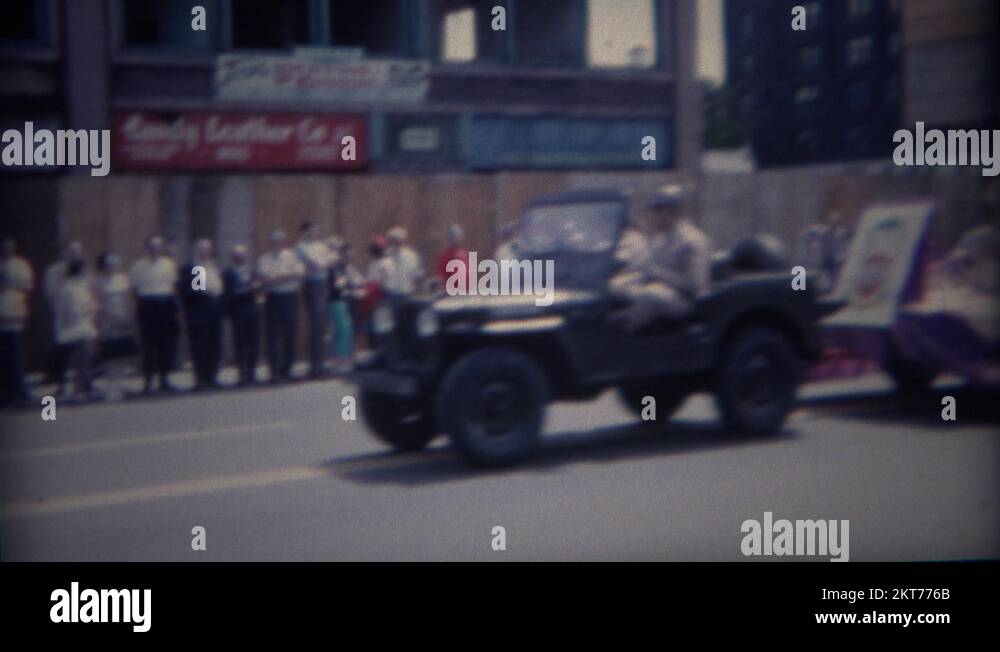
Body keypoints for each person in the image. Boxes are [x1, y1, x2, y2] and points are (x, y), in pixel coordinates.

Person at [610, 184, 712, 332]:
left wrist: (656, 273)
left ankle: (623, 332)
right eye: (655, 210)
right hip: (662, 291)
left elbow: (695, 285)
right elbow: (649, 269)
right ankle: (613, 323)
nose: (654, 216)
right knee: (615, 286)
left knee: (651, 294)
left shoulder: (693, 241)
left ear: (673, 212)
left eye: (659, 210)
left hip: (687, 302)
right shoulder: (662, 236)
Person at [130, 235, 180, 394]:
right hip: (148, 306)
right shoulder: (138, 266)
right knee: (148, 346)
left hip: (165, 305)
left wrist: (176, 309)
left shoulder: (169, 265)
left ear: (162, 248)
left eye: (158, 246)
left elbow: (173, 287)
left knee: (166, 345)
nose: (155, 249)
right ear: (146, 248)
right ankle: (148, 382)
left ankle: (164, 380)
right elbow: (134, 290)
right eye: (151, 246)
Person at [258, 229, 304, 383]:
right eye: (273, 241)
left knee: (290, 334)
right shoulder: (264, 259)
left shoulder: (292, 256)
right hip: (273, 299)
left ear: (283, 243)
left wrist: (276, 278)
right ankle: (274, 371)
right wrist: (286, 277)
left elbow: (298, 275)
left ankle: (287, 369)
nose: (276, 244)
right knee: (273, 336)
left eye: (279, 241)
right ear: (270, 243)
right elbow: (265, 281)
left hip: (290, 298)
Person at [180, 239, 224, 390]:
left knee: (214, 344)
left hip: (214, 309)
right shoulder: (193, 267)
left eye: (208, 249)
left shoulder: (213, 265)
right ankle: (201, 379)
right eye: (202, 249)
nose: (205, 252)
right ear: (196, 250)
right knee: (200, 345)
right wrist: (208, 292)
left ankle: (212, 377)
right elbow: (196, 290)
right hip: (199, 310)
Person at [53, 259, 99, 400]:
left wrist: (91, 309)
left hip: (86, 326)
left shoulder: (84, 286)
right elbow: (66, 310)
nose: (88, 273)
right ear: (80, 271)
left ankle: (85, 387)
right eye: (86, 270)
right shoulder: (67, 287)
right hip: (73, 328)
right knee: (78, 361)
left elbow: (93, 305)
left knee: (86, 359)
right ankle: (78, 390)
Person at [95, 253, 137, 401]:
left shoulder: (124, 280)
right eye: (109, 265)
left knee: (122, 354)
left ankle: (121, 384)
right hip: (108, 321)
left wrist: (130, 317)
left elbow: (129, 300)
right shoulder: (99, 282)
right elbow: (98, 303)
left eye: (114, 264)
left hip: (124, 319)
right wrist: (109, 318)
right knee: (111, 356)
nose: (112, 267)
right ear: (104, 266)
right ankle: (111, 387)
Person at [43, 240, 84, 390]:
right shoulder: (54, 270)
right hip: (63, 315)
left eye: (78, 251)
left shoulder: (82, 269)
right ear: (64, 253)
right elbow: (50, 294)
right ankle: (61, 385)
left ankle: (83, 384)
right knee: (62, 351)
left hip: (80, 316)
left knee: (82, 351)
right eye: (72, 251)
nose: (76, 254)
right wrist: (59, 312)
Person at [0, 237, 35, 407]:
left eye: (10, 247)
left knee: (15, 354)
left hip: (13, 312)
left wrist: (11, 282)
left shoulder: (20, 265)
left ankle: (19, 390)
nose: (7, 250)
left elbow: (27, 286)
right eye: (4, 247)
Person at [296, 221, 333, 378]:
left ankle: (321, 365)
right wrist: (326, 261)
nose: (315, 232)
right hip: (313, 285)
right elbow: (315, 264)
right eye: (312, 230)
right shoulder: (301, 247)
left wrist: (325, 261)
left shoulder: (321, 245)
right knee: (316, 325)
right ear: (304, 232)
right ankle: (315, 367)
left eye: (316, 229)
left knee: (323, 326)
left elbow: (331, 259)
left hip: (324, 284)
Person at [223, 244, 261, 386]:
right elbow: (226, 292)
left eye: (242, 254)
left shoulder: (252, 270)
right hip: (237, 309)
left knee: (253, 341)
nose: (239, 257)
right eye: (236, 255)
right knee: (239, 342)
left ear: (246, 256)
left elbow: (260, 285)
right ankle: (242, 373)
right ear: (232, 257)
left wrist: (257, 286)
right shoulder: (227, 272)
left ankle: (252, 372)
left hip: (251, 307)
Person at [327, 238, 364, 372]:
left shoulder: (350, 267)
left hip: (349, 301)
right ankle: (340, 362)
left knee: (345, 332)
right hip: (336, 302)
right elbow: (338, 285)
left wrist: (353, 283)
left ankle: (342, 360)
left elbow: (359, 281)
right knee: (343, 331)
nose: (348, 257)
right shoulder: (334, 267)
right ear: (341, 254)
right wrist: (350, 282)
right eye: (346, 254)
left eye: (350, 255)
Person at [384, 226, 423, 296]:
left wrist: (416, 288)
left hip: (406, 292)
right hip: (389, 293)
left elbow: (417, 274)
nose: (396, 242)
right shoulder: (386, 254)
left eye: (398, 240)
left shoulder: (411, 255)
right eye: (393, 240)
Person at [435, 223, 470, 289]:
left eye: (458, 237)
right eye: (453, 237)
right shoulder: (445, 255)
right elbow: (441, 275)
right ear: (450, 239)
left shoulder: (465, 254)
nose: (456, 240)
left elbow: (469, 274)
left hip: (464, 291)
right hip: (450, 292)